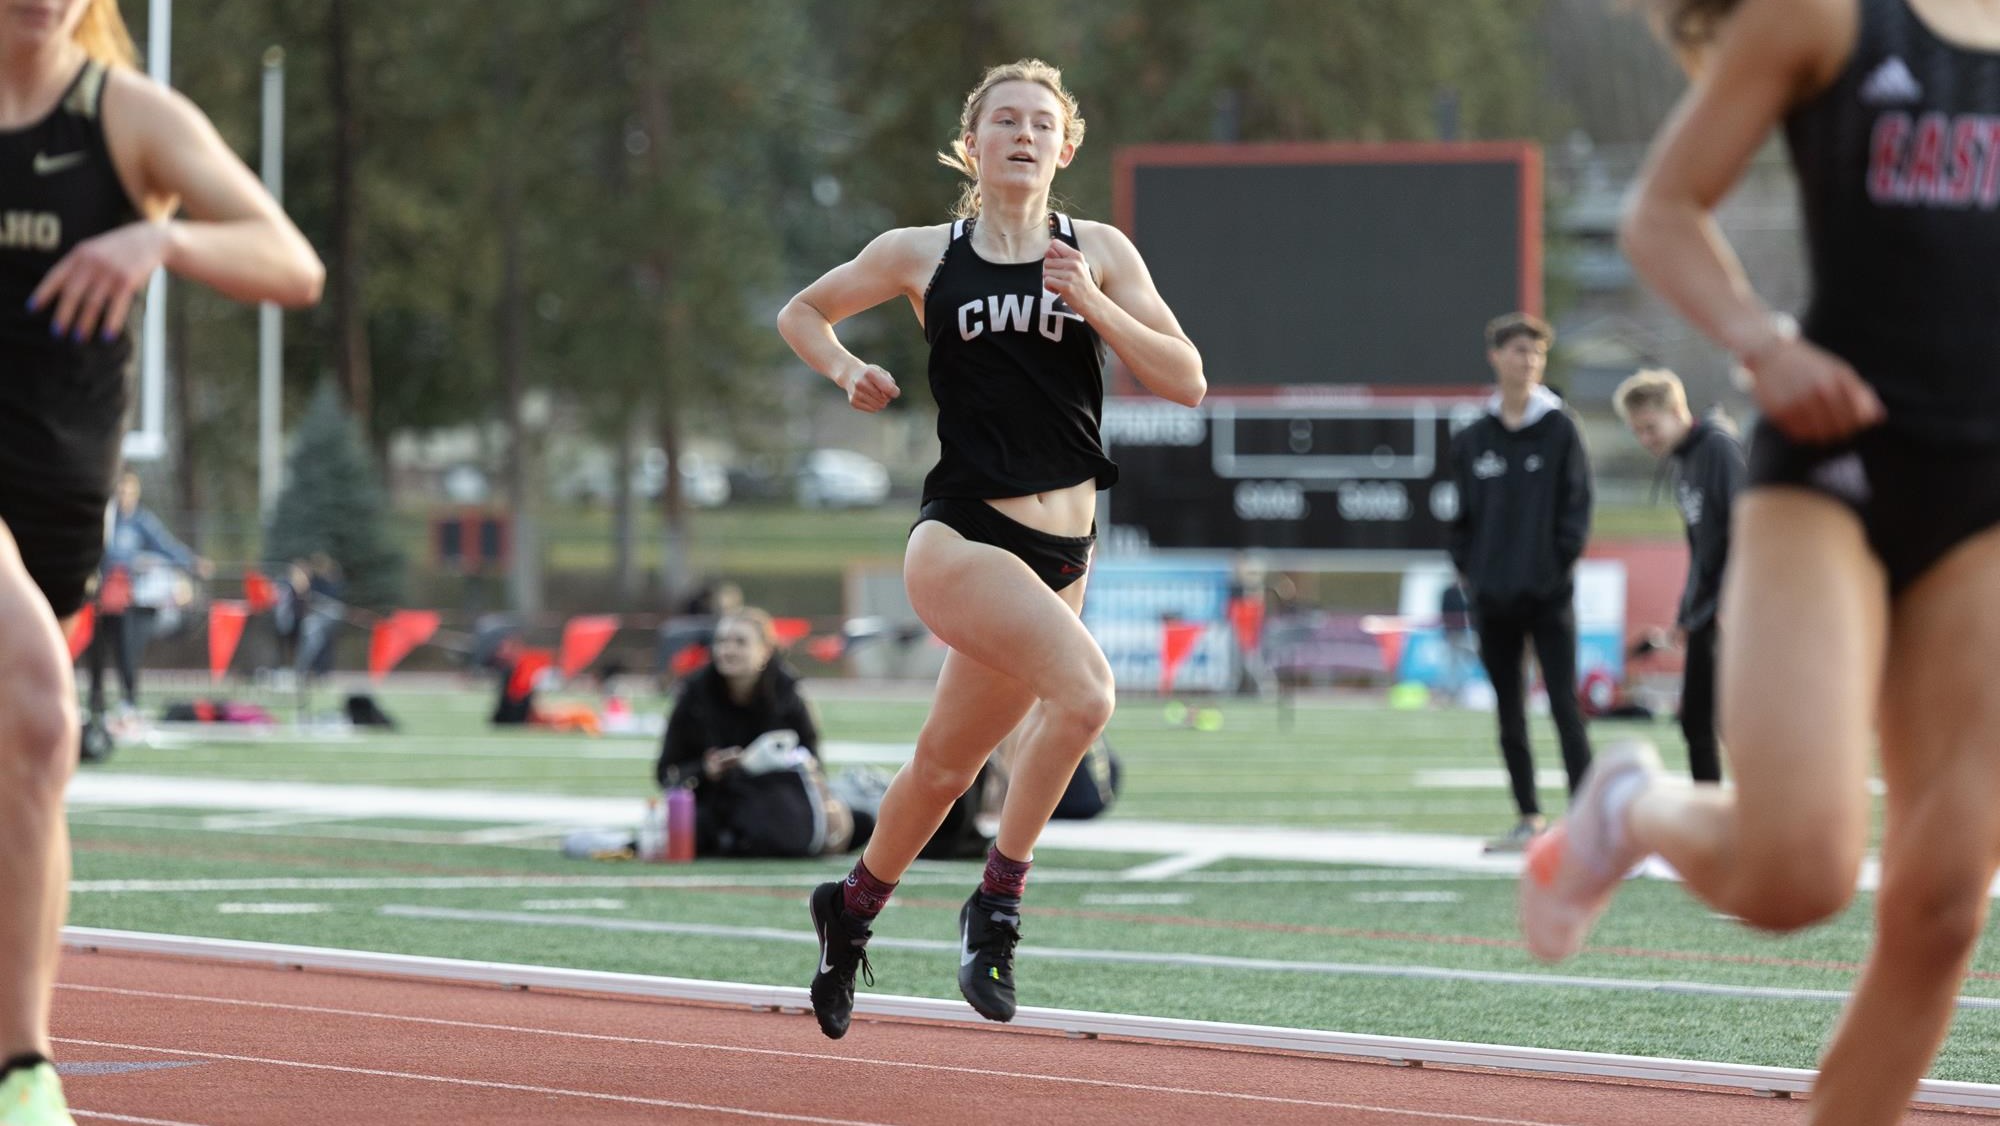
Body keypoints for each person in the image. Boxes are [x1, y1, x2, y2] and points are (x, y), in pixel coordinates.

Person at [1520, 1, 2000, 1120]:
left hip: (1981, 498)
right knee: (1797, 872)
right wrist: (1760, 342)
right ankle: (1629, 806)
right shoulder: (1828, 15)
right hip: (1835, 463)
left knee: (1942, 906)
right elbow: (1661, 212)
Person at [776, 58, 1202, 1039]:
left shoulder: (1096, 248)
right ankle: (996, 903)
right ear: (971, 144)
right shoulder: (922, 253)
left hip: (1064, 556)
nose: (1021, 134)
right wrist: (845, 370)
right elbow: (801, 309)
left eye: (1039, 123)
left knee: (942, 768)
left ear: (1065, 145)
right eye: (1002, 120)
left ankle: (849, 912)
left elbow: (1184, 378)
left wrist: (1093, 303)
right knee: (1088, 696)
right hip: (962, 536)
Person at [0, 2, 322, 1120]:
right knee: (44, 711)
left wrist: (163, 236)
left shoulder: (125, 118)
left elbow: (291, 263)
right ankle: (25, 1072)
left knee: (20, 760)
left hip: (59, 511)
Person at [1448, 313, 1595, 853]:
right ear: (1496, 357)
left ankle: (1586, 824)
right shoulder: (1473, 437)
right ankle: (1529, 817)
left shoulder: (1561, 429)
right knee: (1509, 713)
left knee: (1564, 705)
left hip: (1548, 599)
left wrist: (1552, 572)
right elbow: (1458, 518)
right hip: (1492, 601)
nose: (1527, 361)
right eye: (1517, 351)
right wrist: (1473, 574)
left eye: (1535, 353)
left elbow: (1576, 513)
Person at [1612, 368, 1743, 784]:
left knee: (1731, 723)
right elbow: (1701, 547)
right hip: (1708, 610)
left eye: (1650, 427)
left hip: (1735, 606)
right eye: (1638, 432)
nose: (1646, 439)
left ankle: (1759, 821)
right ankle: (1712, 823)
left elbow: (1747, 526)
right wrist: (1687, 614)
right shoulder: (1684, 462)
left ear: (1676, 410)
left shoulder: (1718, 449)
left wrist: (1731, 601)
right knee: (1697, 723)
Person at [654, 607, 851, 858]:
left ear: (766, 650)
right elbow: (666, 773)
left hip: (772, 799)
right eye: (722, 641)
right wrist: (706, 769)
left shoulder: (787, 694)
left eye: (740, 642)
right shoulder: (693, 694)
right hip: (714, 800)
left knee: (846, 822)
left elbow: (813, 763)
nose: (728, 650)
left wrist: (772, 763)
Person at [85, 470, 210, 730]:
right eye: (120, 490)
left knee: (126, 652)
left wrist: (191, 562)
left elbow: (165, 546)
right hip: (98, 600)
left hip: (128, 600)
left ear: (136, 492)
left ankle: (128, 703)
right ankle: (95, 703)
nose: (124, 496)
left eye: (129, 491)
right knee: (96, 652)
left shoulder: (142, 521)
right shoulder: (105, 518)